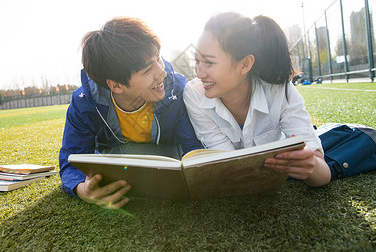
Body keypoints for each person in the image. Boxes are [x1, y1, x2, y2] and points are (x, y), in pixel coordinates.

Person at [59, 17, 203, 209]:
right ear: (116, 85)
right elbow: (70, 160)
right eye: (147, 70)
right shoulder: (84, 103)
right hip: (117, 164)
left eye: (158, 58)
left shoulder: (176, 88)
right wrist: (82, 190)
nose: (162, 72)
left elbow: (193, 149)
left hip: (169, 158)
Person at [184, 12, 331, 187]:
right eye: (197, 60)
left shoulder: (280, 91)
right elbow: (230, 166)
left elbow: (323, 175)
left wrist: (310, 166)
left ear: (245, 64)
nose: (199, 73)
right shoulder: (194, 95)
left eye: (209, 62)